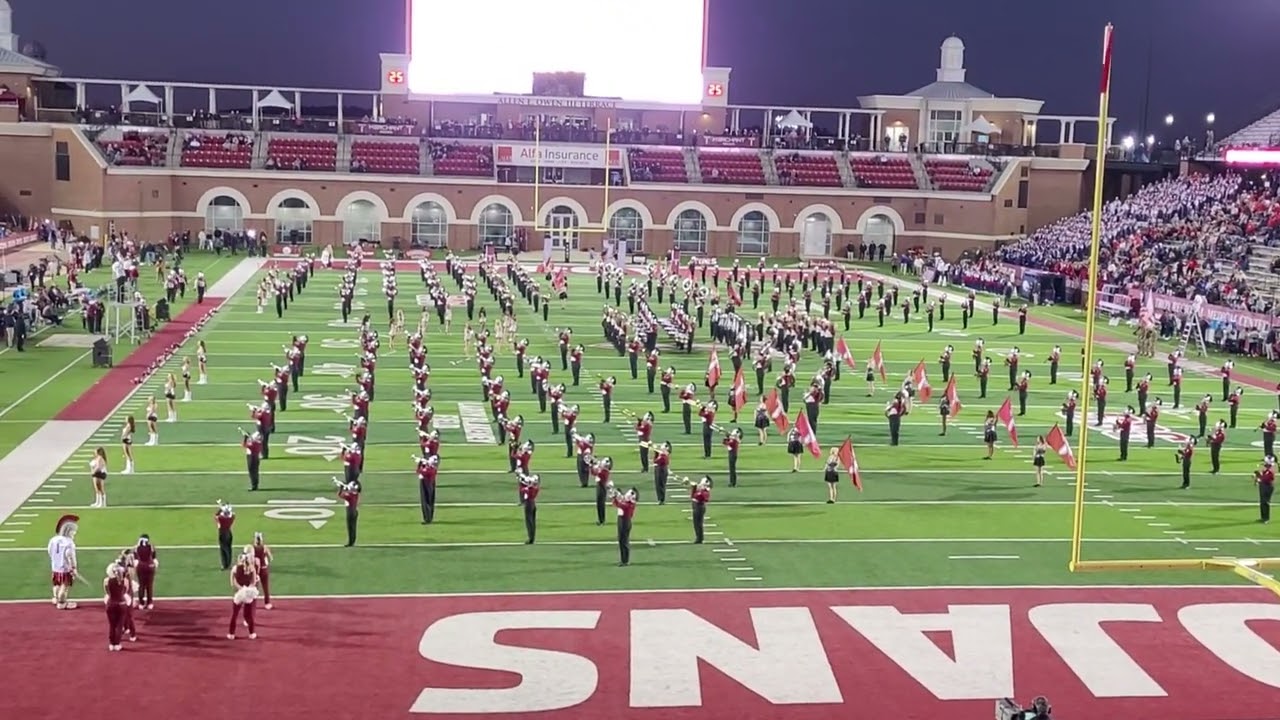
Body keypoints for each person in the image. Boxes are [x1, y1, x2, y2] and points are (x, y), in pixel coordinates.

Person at [47, 514, 80, 610]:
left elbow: (49, 551)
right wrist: (74, 567)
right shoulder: (69, 543)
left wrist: (55, 559)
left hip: (55, 566)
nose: (74, 533)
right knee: (64, 586)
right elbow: (70, 556)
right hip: (65, 568)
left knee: (57, 584)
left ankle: (56, 598)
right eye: (73, 531)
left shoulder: (53, 539)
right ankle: (62, 603)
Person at [228, 549, 259, 640]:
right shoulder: (252, 568)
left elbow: (233, 582)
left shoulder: (235, 568)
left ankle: (231, 634)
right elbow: (253, 582)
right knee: (249, 615)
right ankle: (252, 633)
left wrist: (241, 589)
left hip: (239, 594)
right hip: (248, 594)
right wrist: (247, 589)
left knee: (234, 614)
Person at [609, 486, 639, 567]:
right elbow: (618, 502)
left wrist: (614, 496)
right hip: (622, 521)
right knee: (621, 540)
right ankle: (623, 560)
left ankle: (625, 561)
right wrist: (615, 495)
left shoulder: (628, 505)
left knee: (624, 541)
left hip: (624, 522)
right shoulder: (628, 502)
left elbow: (618, 504)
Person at [104, 564, 130, 652]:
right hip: (121, 604)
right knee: (119, 625)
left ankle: (111, 644)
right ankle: (117, 644)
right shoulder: (125, 581)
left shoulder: (107, 580)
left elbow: (107, 591)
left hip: (111, 604)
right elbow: (125, 591)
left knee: (112, 625)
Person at [684, 476, 712, 543]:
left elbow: (704, 498)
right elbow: (693, 496)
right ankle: (698, 537)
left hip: (699, 507)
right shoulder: (699, 489)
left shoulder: (705, 491)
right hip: (695, 506)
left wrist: (700, 490)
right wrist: (694, 488)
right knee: (696, 523)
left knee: (698, 523)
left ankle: (699, 538)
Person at [133, 534, 158, 610]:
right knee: (149, 586)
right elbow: (154, 558)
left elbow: (135, 560)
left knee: (141, 585)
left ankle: (141, 603)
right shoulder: (151, 547)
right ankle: (150, 603)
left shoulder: (136, 548)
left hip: (141, 567)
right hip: (150, 566)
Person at [251, 532, 274, 610]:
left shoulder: (252, 548)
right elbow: (271, 558)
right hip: (264, 569)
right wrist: (266, 560)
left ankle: (252, 604)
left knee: (254, 587)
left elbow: (250, 559)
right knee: (265, 588)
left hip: (255, 571)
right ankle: (267, 603)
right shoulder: (265, 547)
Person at [337, 477, 361, 547]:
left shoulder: (351, 495)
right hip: (354, 511)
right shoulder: (355, 493)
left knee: (350, 527)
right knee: (353, 527)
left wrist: (341, 488)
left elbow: (340, 495)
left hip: (351, 512)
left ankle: (351, 542)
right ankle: (352, 541)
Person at [518, 472, 540, 544]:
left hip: (528, 505)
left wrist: (522, 480)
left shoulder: (528, 489)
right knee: (532, 522)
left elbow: (522, 489)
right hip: (533, 504)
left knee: (529, 522)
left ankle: (531, 538)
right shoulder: (535, 488)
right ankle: (532, 537)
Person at [214, 501, 235, 570]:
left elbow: (216, 515)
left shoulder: (221, 518)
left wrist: (221, 509)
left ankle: (224, 565)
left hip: (222, 534)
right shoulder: (231, 518)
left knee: (223, 549)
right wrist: (227, 508)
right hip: (229, 533)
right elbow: (232, 514)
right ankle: (228, 564)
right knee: (229, 549)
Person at [1255, 457, 1275, 524]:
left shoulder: (1270, 471)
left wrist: (1259, 478)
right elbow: (1262, 477)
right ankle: (1263, 517)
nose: (1264, 464)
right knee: (1262, 502)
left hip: (1267, 487)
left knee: (1265, 502)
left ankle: (1266, 518)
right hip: (1263, 486)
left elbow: (1265, 479)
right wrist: (1257, 475)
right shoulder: (1266, 471)